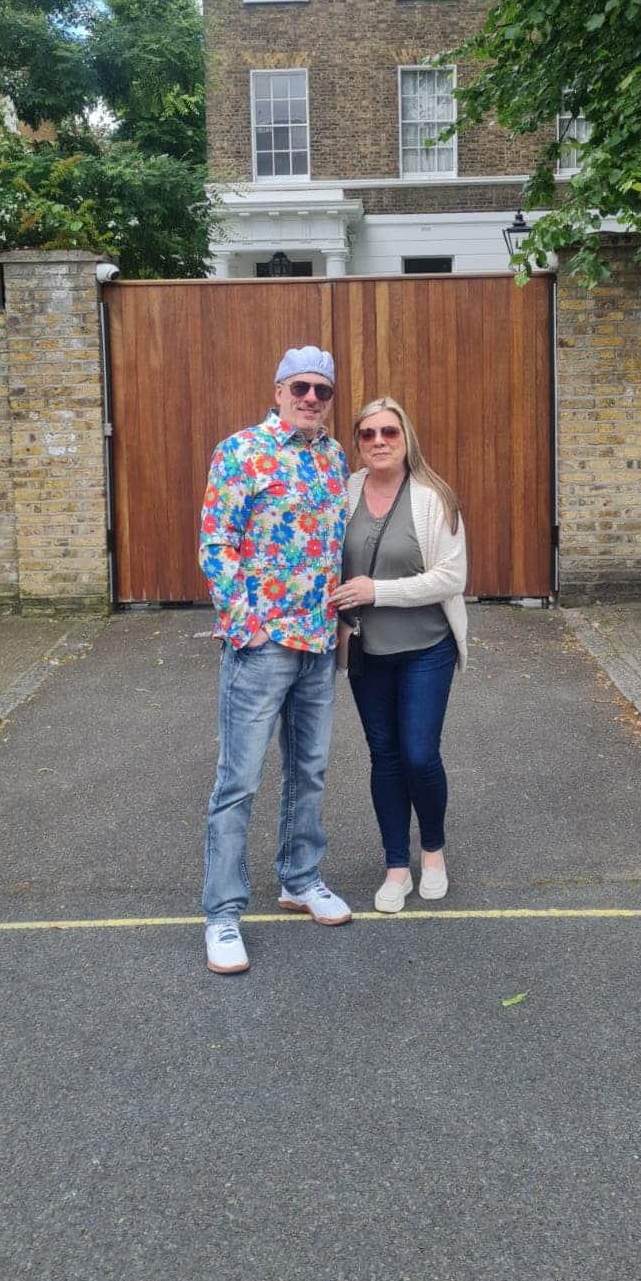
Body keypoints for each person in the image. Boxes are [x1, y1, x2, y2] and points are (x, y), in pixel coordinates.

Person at [198, 346, 352, 975]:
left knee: (309, 770)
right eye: (301, 388)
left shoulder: (334, 457)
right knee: (239, 781)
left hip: (319, 642)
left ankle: (300, 878)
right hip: (262, 646)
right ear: (279, 389)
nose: (311, 398)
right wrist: (246, 625)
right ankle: (222, 913)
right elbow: (217, 542)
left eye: (322, 390)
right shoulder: (241, 451)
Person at [329, 398, 468, 913]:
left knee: (419, 754)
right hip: (367, 652)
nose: (379, 442)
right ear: (358, 442)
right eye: (367, 434)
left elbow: (451, 578)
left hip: (426, 649)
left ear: (406, 438)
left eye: (389, 432)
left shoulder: (434, 498)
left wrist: (377, 592)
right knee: (384, 757)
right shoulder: (343, 491)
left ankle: (432, 853)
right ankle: (395, 865)